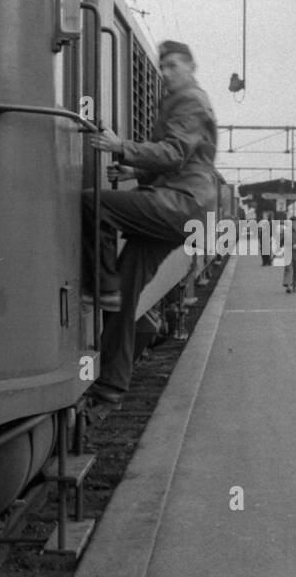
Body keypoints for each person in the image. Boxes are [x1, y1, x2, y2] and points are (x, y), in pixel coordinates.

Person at [83, 41, 217, 406]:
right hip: (184, 207)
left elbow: (175, 152)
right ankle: (112, 382)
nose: (167, 72)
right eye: (164, 66)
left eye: (174, 65)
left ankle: (104, 284)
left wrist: (121, 146)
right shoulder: (181, 102)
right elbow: (180, 161)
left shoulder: (190, 100)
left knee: (92, 203)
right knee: (125, 298)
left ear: (191, 66)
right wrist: (134, 169)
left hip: (181, 205)